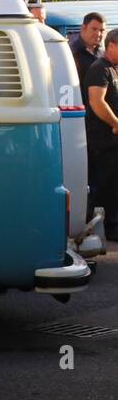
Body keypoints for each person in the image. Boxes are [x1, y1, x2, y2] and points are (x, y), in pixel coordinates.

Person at [82, 27, 118, 241]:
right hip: (102, 141)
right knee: (105, 187)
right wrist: (115, 123)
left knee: (113, 186)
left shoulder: (113, 68)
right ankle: (106, 229)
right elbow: (97, 101)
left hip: (112, 141)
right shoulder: (99, 68)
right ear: (111, 45)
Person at [71, 12, 105, 83]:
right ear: (84, 28)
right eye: (94, 29)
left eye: (101, 30)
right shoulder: (71, 52)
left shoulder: (104, 53)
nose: (98, 34)